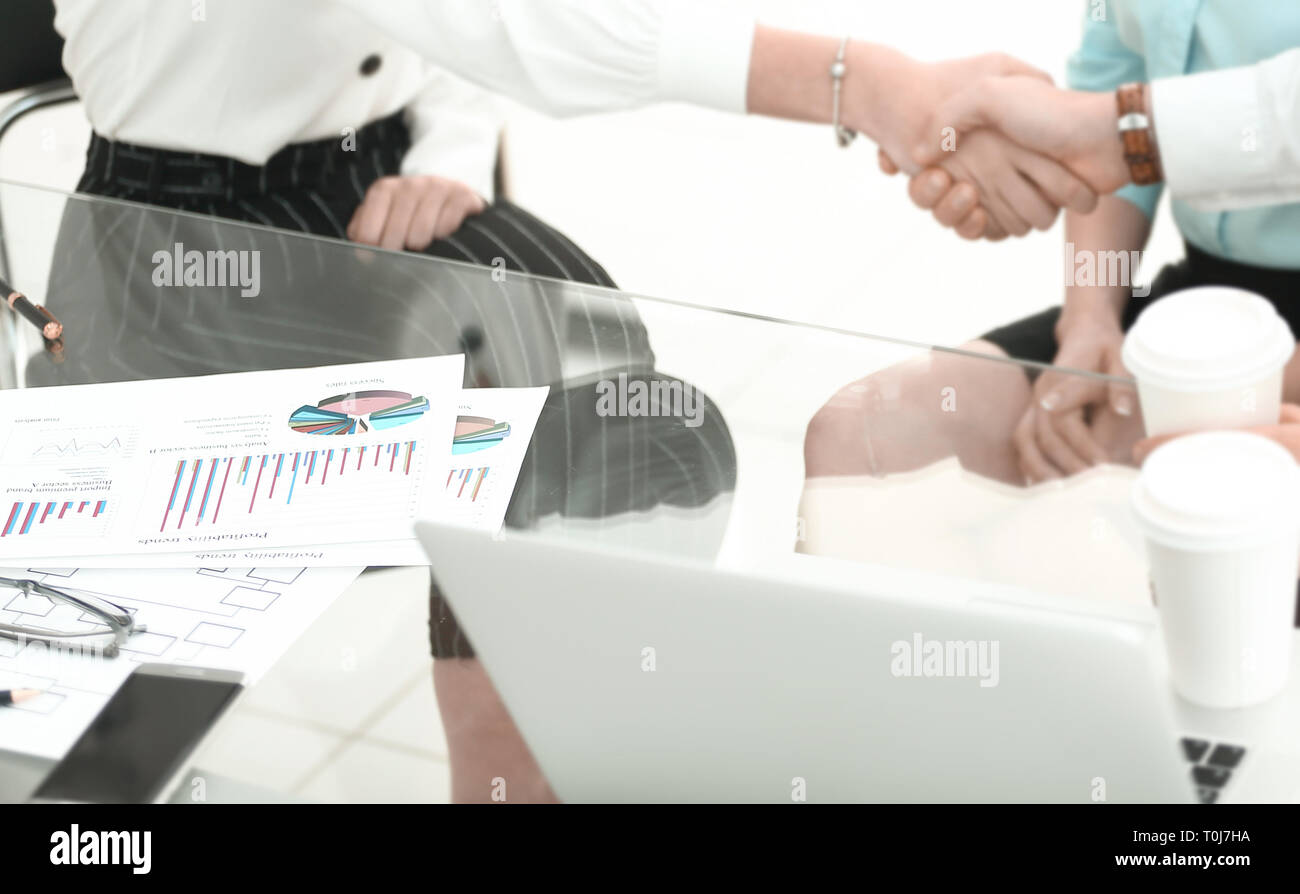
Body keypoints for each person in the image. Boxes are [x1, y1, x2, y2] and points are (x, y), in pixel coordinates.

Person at [49, 0, 1095, 802]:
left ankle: (513, 783)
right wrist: (861, 83)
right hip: (177, 233)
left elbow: (461, 43)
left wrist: (445, 157)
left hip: (371, 185)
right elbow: (513, 22)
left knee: (623, 421)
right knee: (135, 663)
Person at [808, 2, 1300, 487]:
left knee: (1108, 508)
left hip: (1258, 345)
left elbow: (1110, 132)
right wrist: (1090, 321)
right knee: (853, 438)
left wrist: (1207, 398)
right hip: (1203, 298)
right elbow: (1113, 90)